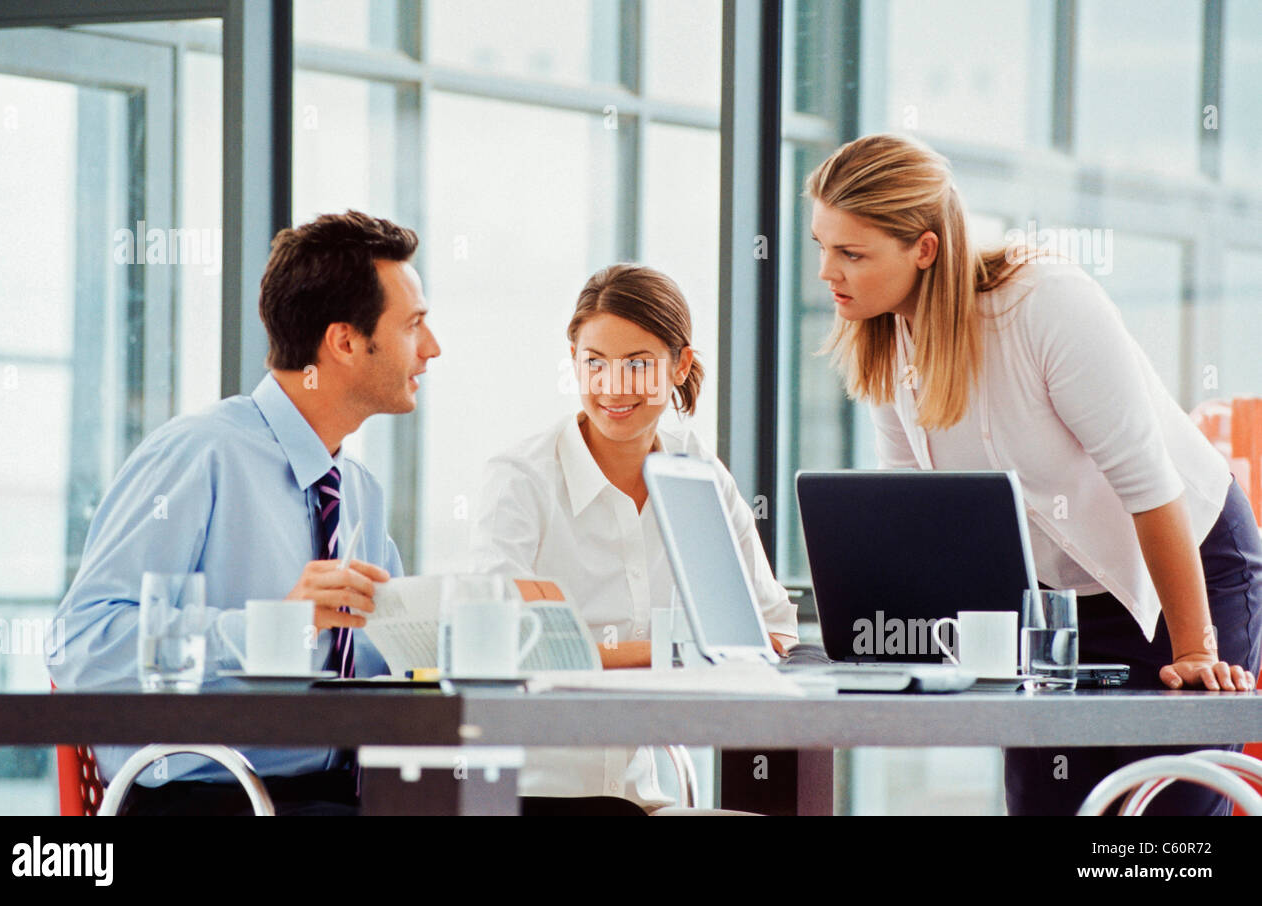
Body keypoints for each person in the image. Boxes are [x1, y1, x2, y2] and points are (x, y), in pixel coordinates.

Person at [804, 132, 1261, 815]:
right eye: (822, 247)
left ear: (923, 249)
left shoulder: (1042, 303)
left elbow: (1150, 483)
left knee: (1164, 818)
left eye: (851, 253)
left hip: (1185, 567)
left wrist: (1195, 649)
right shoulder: (884, 344)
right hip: (1054, 609)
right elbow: (919, 518)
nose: (826, 272)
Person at [47, 210, 441, 815]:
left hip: (339, 794)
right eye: (414, 325)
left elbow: (374, 668)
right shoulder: (200, 453)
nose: (432, 349)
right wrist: (268, 629)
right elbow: (81, 644)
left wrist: (446, 636)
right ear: (343, 342)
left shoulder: (358, 489)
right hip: (209, 796)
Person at [470, 264, 798, 815]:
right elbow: (502, 647)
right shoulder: (521, 479)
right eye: (594, 363)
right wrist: (677, 651)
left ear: (680, 365)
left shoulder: (698, 474)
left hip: (638, 798)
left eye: (638, 364)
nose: (613, 387)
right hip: (522, 794)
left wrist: (601, 653)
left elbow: (773, 632)